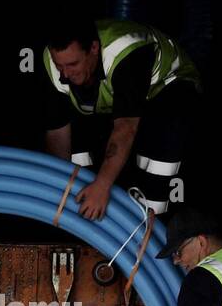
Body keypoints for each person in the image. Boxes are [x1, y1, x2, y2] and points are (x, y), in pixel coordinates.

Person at [41, 15, 200, 219]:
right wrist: (61, 189)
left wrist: (102, 185)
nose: (64, 74)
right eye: (59, 66)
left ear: (94, 49)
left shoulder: (125, 52)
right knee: (81, 157)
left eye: (72, 64)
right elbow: (57, 134)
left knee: (153, 164)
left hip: (168, 90)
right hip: (114, 100)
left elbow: (125, 128)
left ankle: (152, 228)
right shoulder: (52, 62)